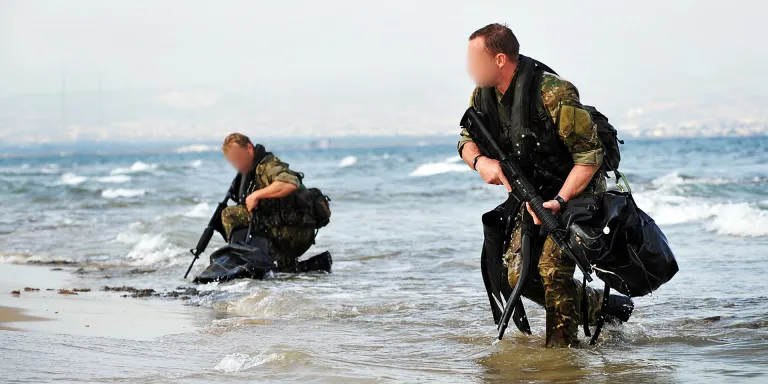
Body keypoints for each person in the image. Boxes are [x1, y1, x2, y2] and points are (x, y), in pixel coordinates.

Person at [458, 23, 632, 347]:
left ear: (499, 59)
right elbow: (467, 140)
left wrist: (561, 200)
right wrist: (481, 163)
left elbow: (590, 157)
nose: (468, 68)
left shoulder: (553, 92)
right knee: (515, 275)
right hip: (533, 190)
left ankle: (561, 358)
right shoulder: (483, 95)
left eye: (474, 59)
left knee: (553, 269)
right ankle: (602, 307)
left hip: (578, 188)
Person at [220, 133, 316, 272]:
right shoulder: (251, 170)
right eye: (233, 160)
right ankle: (279, 263)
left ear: (249, 148)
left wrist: (256, 195)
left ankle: (242, 262)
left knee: (230, 214)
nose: (237, 164)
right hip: (289, 230)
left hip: (291, 233)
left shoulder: (268, 165)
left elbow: (290, 183)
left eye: (239, 157)